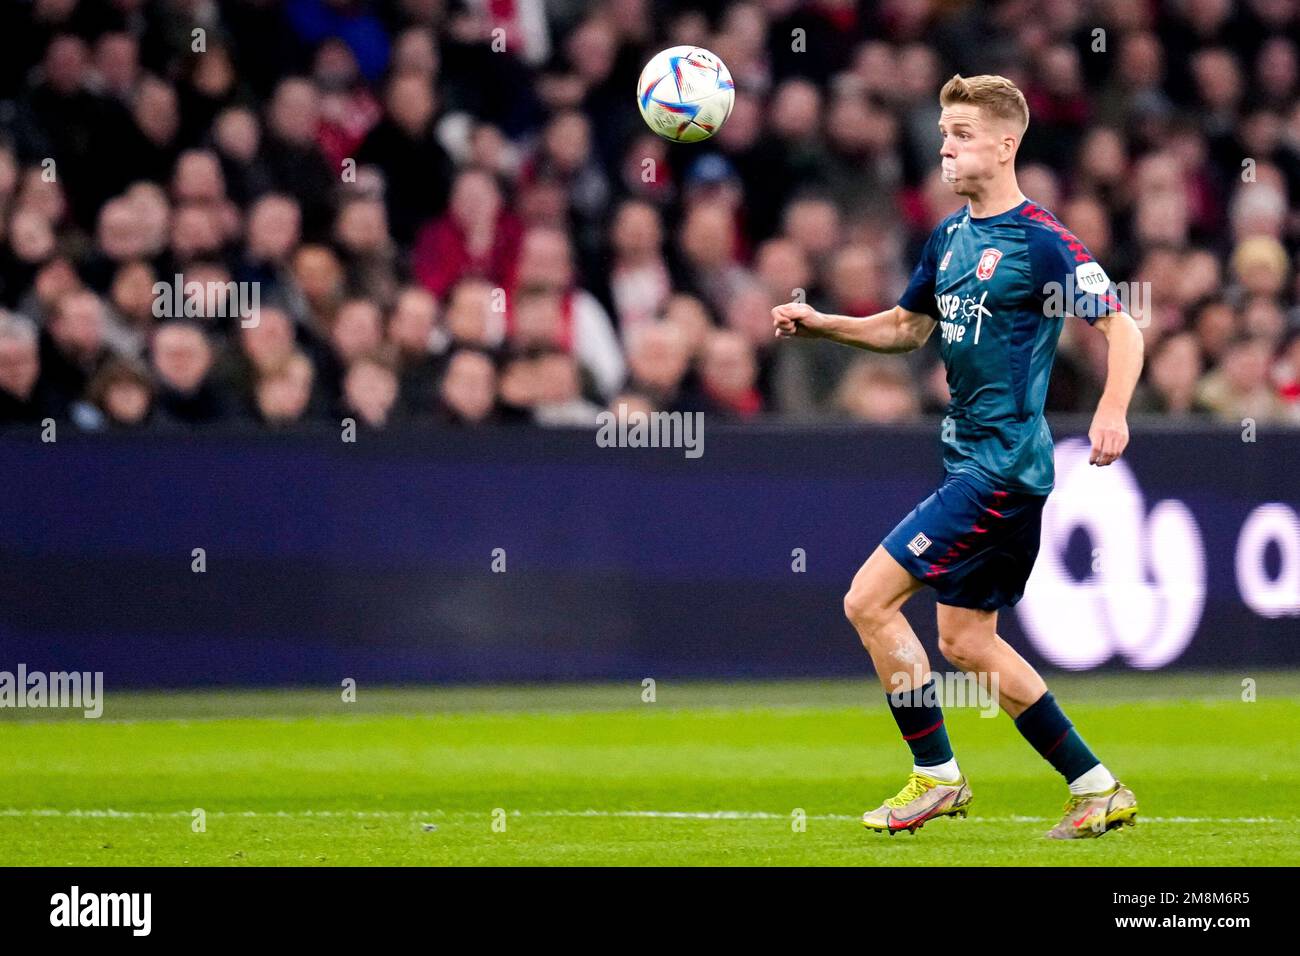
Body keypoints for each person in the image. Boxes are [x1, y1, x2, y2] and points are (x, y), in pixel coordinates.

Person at [771, 74, 1146, 840]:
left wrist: (1112, 411)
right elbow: (907, 331)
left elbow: (1123, 328)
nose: (946, 145)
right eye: (944, 132)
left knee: (867, 600)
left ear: (1006, 144)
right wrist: (823, 325)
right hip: (971, 463)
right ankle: (1097, 786)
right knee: (965, 640)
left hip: (1001, 469)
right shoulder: (948, 237)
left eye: (964, 133)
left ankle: (936, 777)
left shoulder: (1040, 240)